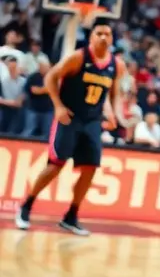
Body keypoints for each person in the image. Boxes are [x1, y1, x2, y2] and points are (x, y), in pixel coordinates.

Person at [15, 20, 123, 235]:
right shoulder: (78, 57)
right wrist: (58, 106)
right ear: (91, 37)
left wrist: (112, 113)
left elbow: (113, 92)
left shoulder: (117, 65)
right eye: (99, 33)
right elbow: (50, 77)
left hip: (92, 121)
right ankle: (26, 205)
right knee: (56, 164)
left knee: (90, 168)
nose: (103, 37)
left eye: (107, 34)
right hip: (69, 117)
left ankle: (71, 216)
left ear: (112, 39)